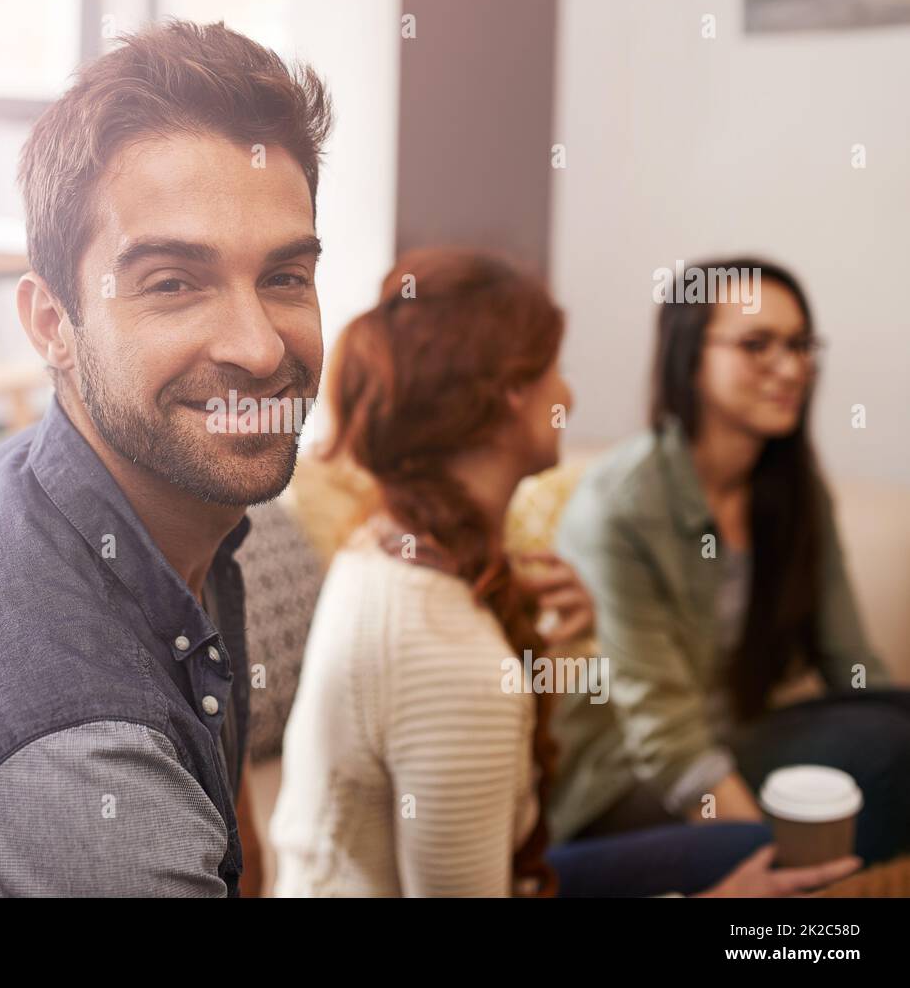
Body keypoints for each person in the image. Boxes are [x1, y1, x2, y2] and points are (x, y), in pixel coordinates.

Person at [0, 20, 330, 897]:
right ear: (51, 324)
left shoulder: (122, 504)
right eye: (173, 283)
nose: (260, 348)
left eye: (284, 276)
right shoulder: (77, 768)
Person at [268, 249, 860, 897]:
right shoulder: (450, 660)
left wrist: (545, 641)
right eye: (556, 370)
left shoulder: (384, 552)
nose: (568, 397)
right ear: (511, 394)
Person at [550, 258, 910, 864]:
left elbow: (854, 668)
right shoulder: (620, 505)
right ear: (690, 357)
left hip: (740, 742)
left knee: (894, 733)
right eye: (757, 345)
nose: (791, 367)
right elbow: (665, 734)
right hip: (628, 783)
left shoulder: (795, 490)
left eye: (799, 345)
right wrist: (761, 862)